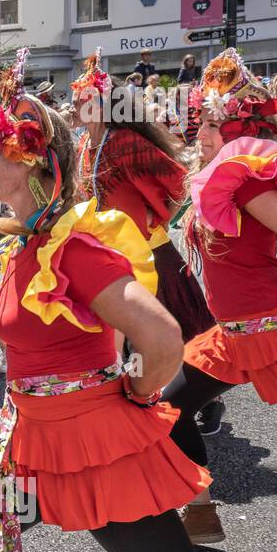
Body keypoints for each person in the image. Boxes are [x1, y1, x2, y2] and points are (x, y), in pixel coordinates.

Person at [0, 47, 277, 552]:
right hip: (29, 446)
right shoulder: (29, 239)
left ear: (32, 162)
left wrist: (139, 396)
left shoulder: (74, 245)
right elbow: (31, 333)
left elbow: (163, 338)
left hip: (94, 449)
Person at [162, 49, 277, 544]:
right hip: (233, 334)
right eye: (201, 120)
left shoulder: (241, 180)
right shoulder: (223, 177)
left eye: (209, 123)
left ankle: (199, 515)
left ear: (235, 132)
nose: (200, 131)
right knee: (168, 408)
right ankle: (200, 514)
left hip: (268, 332)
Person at [72, 48, 220, 445]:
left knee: (172, 336)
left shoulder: (123, 143)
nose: (73, 105)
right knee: (127, 337)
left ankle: (198, 402)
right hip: (108, 256)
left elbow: (178, 181)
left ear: (100, 106)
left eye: (81, 100)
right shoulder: (87, 146)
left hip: (149, 255)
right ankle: (143, 409)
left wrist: (161, 216)